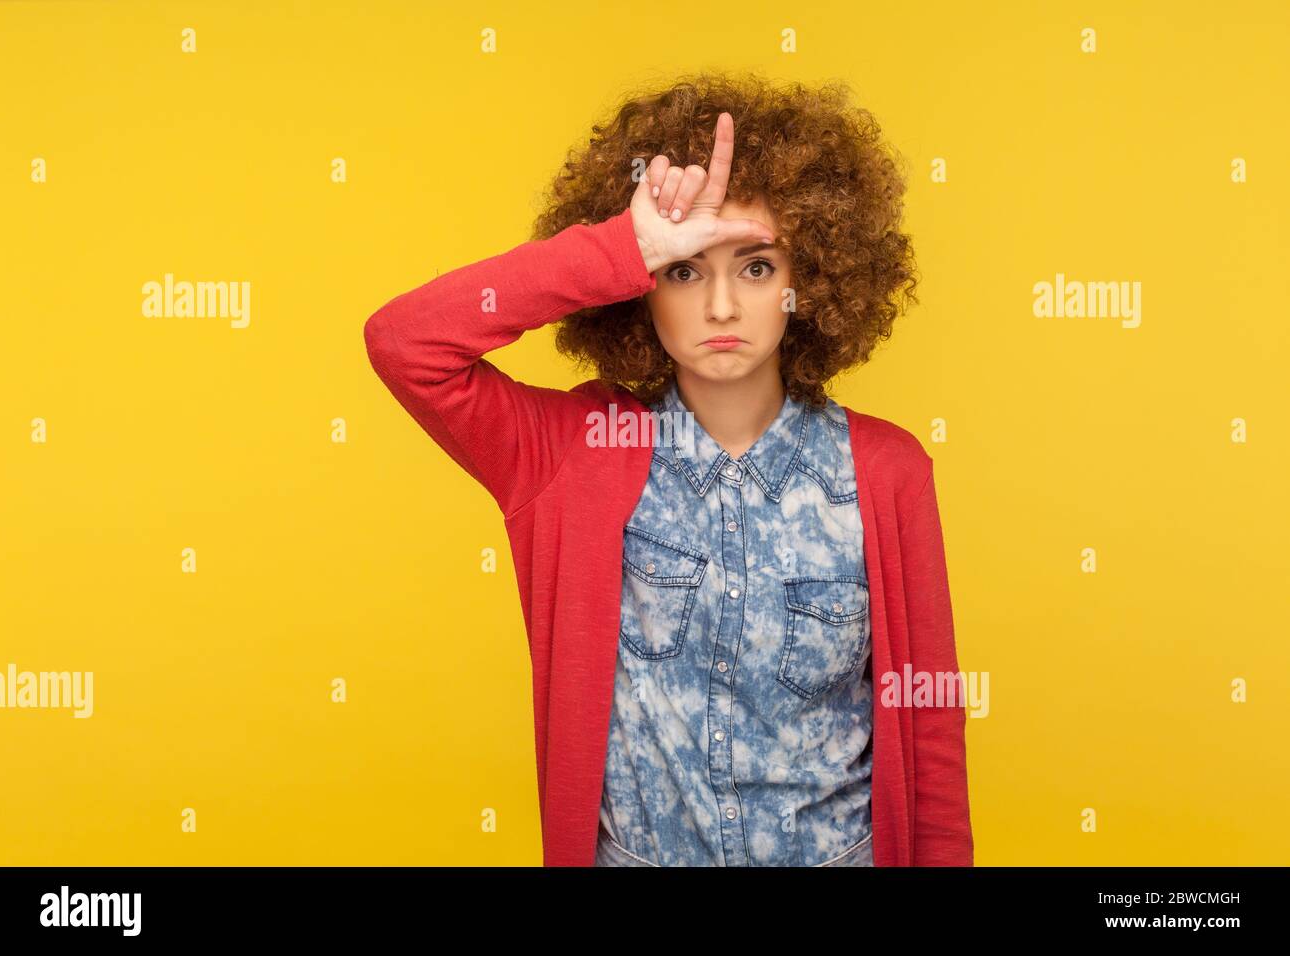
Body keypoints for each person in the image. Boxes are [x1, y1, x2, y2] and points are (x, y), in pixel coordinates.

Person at [364, 72, 973, 867]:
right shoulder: (570, 456)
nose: (721, 306)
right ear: (642, 292)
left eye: (757, 267)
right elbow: (405, 343)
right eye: (685, 271)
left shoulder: (888, 472)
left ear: (809, 282)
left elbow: (928, 730)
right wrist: (628, 246)